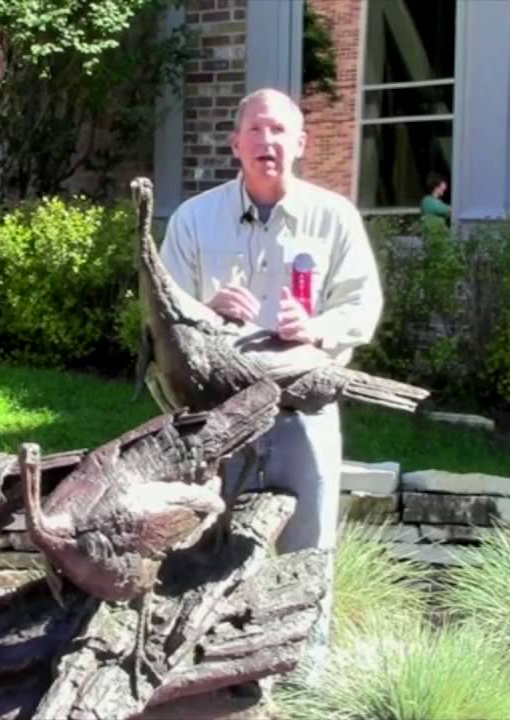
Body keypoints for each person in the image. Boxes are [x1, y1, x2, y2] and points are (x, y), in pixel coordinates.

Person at [159, 87, 383, 684]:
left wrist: (317, 328)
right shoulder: (193, 220)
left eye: (280, 130)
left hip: (304, 412)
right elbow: (161, 314)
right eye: (256, 130)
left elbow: (361, 305)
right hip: (219, 415)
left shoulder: (334, 218)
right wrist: (206, 310)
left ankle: (304, 676)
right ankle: (213, 674)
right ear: (235, 143)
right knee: (211, 540)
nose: (268, 141)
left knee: (308, 545)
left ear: (302, 143)